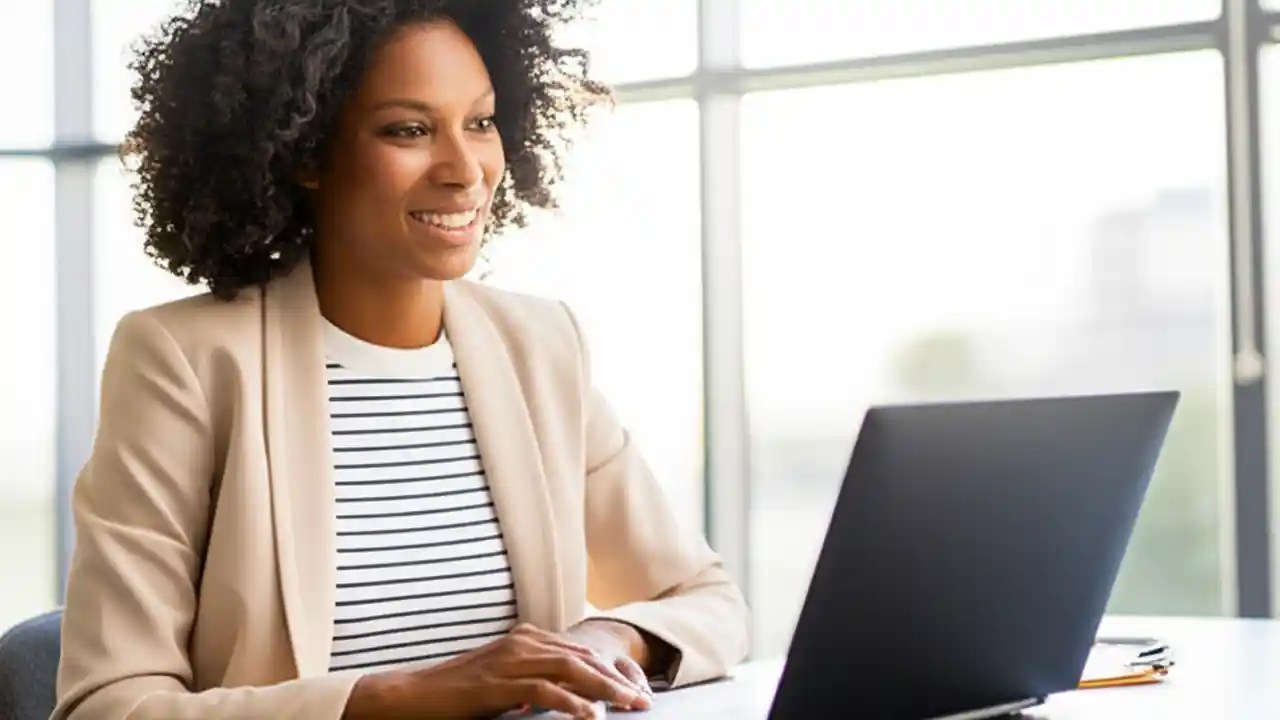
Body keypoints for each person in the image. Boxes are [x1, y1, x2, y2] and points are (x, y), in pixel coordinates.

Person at [52, 2, 748, 719]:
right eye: (409, 130)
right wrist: (409, 695)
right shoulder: (185, 363)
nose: (464, 168)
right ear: (304, 151)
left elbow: (706, 602)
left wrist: (605, 639)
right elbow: (109, 706)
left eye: (479, 122)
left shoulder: (540, 346)